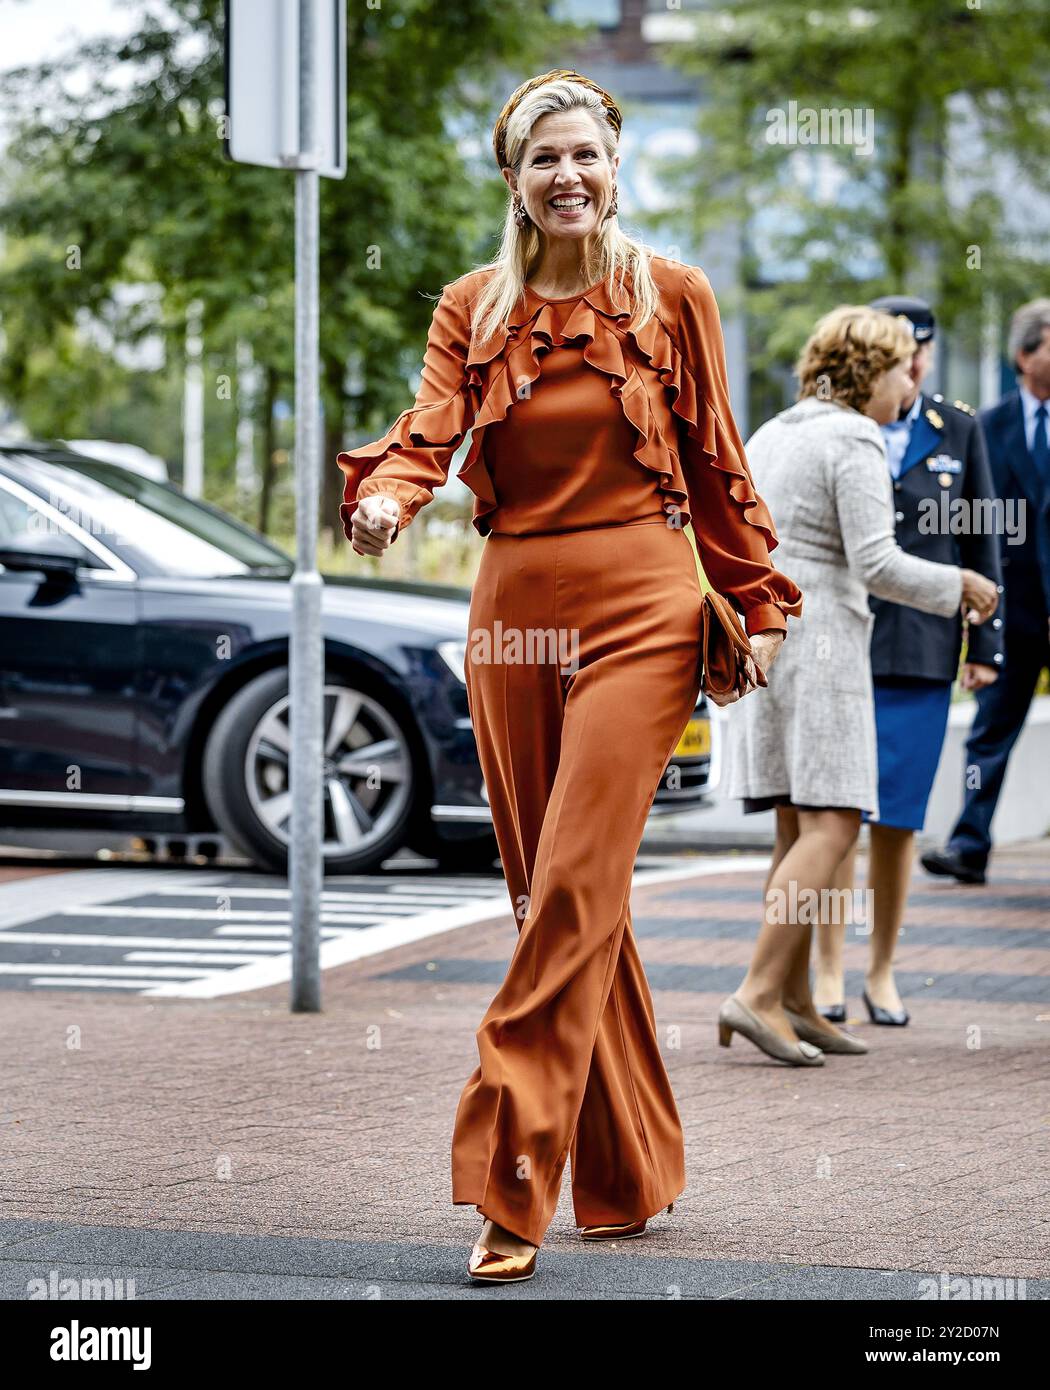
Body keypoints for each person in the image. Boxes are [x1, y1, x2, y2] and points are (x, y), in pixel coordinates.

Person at [335, 69, 803, 1285]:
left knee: (584, 876)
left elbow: (718, 459)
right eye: (543, 159)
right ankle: (629, 1166)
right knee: (554, 895)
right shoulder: (474, 307)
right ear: (513, 178)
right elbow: (430, 427)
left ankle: (513, 1173)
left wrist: (755, 599)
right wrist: (387, 496)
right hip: (513, 610)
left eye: (585, 155)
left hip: (646, 602)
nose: (567, 176)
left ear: (614, 163)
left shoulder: (672, 296)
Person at [722, 307, 999, 1067]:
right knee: (837, 824)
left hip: (770, 637)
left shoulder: (775, 431)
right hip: (824, 647)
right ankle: (754, 991)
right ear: (868, 372)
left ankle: (793, 998)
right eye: (901, 370)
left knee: (794, 826)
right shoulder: (852, 437)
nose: (910, 386)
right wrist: (963, 585)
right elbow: (877, 562)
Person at [812, 296, 1003, 1027]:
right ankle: (826, 966)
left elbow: (981, 542)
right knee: (836, 817)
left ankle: (882, 969)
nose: (916, 362)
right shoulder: (841, 424)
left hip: (920, 653)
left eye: (922, 349)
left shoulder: (955, 428)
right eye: (902, 349)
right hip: (841, 642)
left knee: (898, 819)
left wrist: (985, 645)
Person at [923, 299, 1050, 884]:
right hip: (1014, 613)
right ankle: (969, 845)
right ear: (1025, 356)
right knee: (990, 732)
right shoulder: (986, 427)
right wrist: (979, 625)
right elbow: (973, 527)